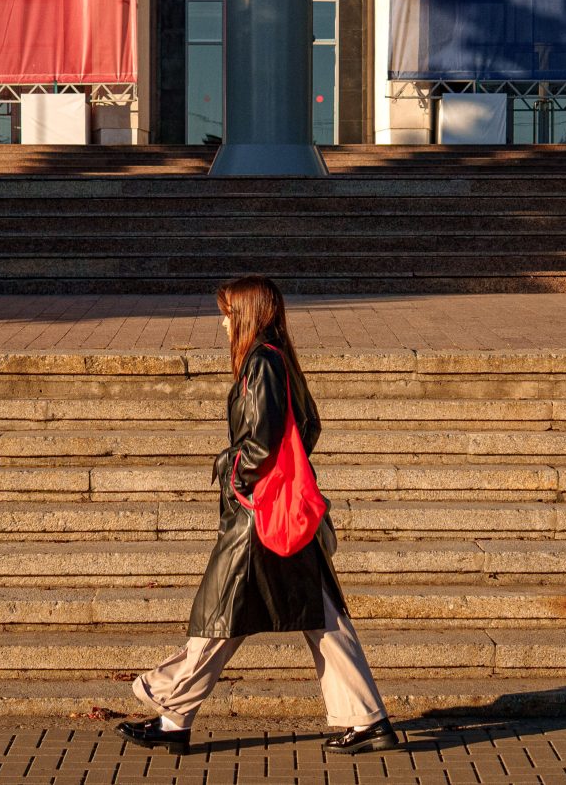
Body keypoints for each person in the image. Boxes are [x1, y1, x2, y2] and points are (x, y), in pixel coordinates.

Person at [119, 276, 399, 757]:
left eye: (228, 311)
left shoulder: (260, 362)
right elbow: (308, 425)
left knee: (221, 614)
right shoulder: (278, 358)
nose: (222, 320)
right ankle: (364, 717)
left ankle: (170, 709)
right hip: (281, 509)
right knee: (319, 617)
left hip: (258, 516)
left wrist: (235, 472)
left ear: (247, 312)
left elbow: (264, 440)